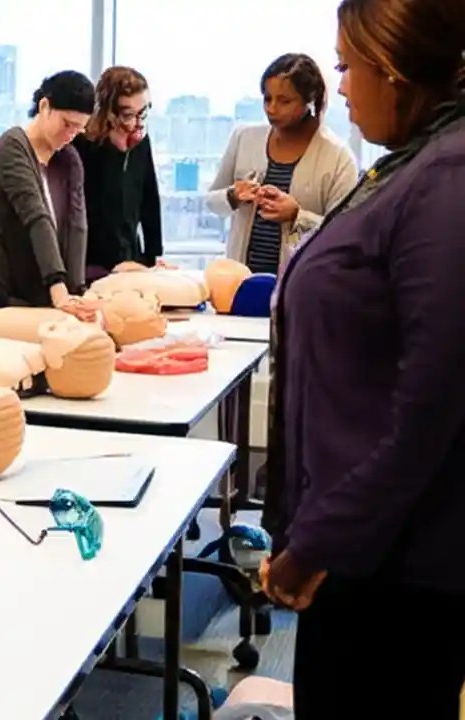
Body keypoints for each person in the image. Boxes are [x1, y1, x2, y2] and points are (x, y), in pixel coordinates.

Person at [260, 0, 465, 716]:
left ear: (396, 67)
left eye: (347, 67)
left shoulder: (446, 180)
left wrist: (316, 543)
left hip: (390, 568)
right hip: (368, 552)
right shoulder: (412, 166)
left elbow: (430, 406)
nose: (339, 86)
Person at [206, 54, 358, 274]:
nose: (272, 108)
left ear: (309, 100)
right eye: (267, 99)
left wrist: (297, 216)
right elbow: (212, 201)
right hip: (241, 284)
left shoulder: (337, 157)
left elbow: (345, 236)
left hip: (302, 286)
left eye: (284, 101)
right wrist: (233, 195)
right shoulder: (244, 138)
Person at [0, 71, 96, 331]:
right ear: (44, 106)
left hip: (43, 298)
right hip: (2, 294)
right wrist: (58, 286)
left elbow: (77, 226)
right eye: (67, 123)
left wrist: (76, 291)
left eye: (78, 128)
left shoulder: (69, 159)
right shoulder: (12, 146)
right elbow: (36, 216)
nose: (71, 134)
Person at [73, 66, 164, 282]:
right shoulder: (82, 145)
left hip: (132, 258)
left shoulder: (141, 143)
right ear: (109, 113)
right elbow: (78, 214)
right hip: (90, 264)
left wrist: (152, 257)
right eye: (128, 115)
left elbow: (149, 199)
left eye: (143, 112)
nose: (137, 123)